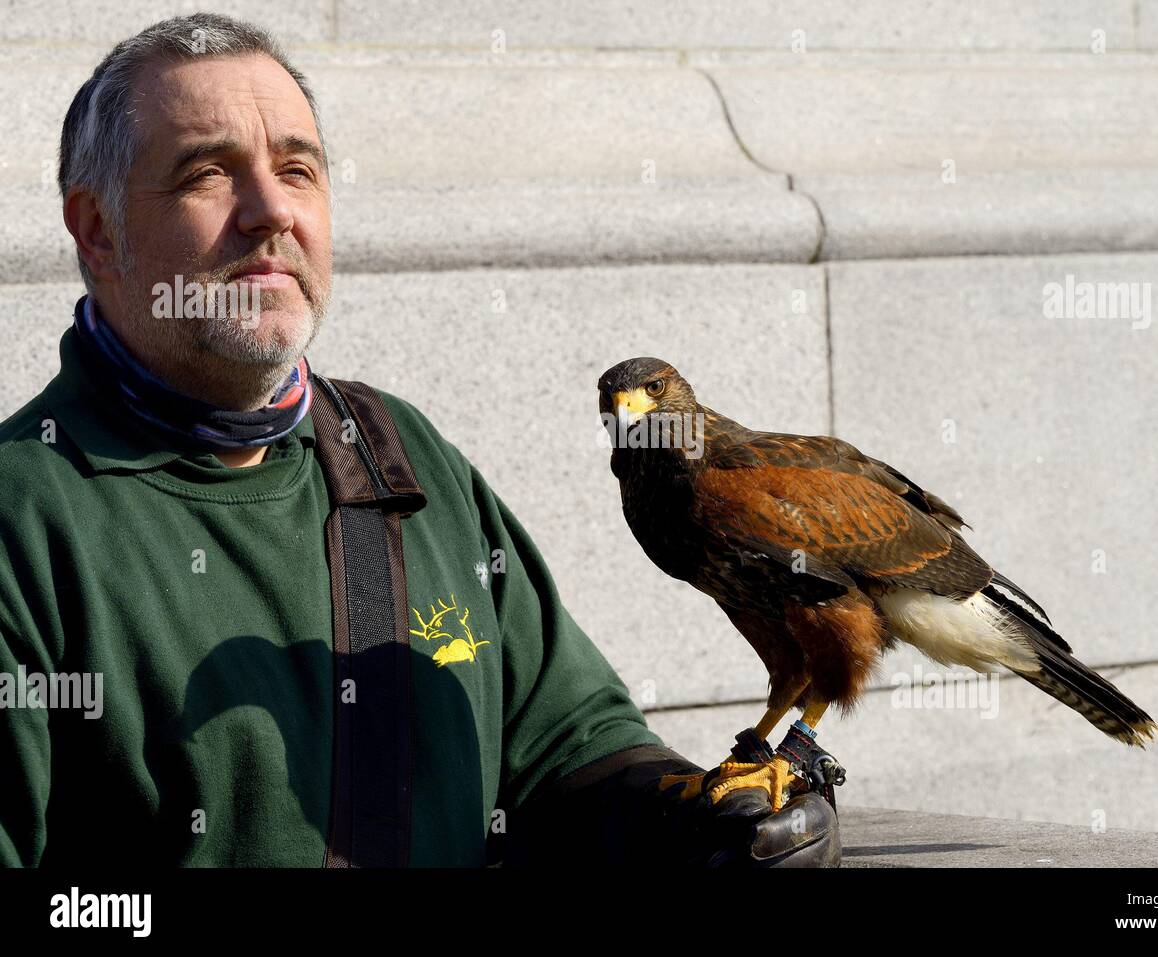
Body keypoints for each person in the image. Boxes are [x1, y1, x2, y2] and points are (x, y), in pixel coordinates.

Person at [0, 12, 838, 868]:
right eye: (208, 174)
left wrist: (694, 822)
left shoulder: (399, 457)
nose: (273, 210)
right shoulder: (23, 521)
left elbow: (568, 748)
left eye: (299, 169)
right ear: (98, 230)